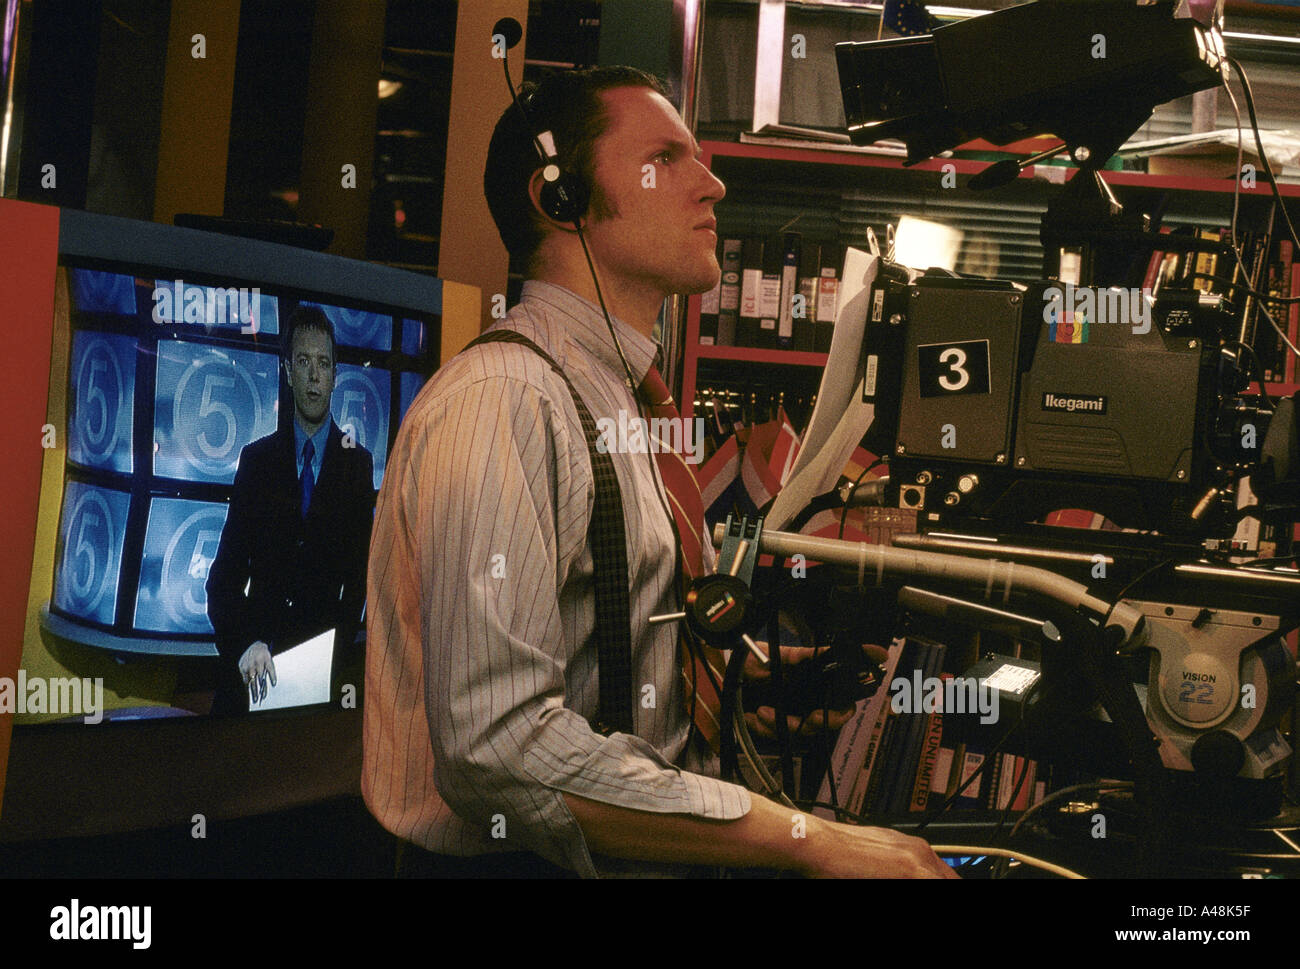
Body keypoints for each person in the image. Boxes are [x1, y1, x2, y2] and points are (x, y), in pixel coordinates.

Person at [362, 66, 954, 878]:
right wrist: (808, 840)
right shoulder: (504, 402)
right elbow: (499, 747)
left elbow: (596, 643)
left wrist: (728, 679)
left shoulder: (621, 398)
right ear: (558, 196)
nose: (712, 183)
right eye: (667, 159)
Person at [206, 305, 374, 713]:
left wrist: (327, 660)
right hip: (253, 670)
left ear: (335, 375)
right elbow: (222, 582)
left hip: (322, 680)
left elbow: (358, 586)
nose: (314, 376)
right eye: (303, 362)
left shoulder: (357, 466)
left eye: (323, 363)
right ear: (287, 371)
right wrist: (247, 644)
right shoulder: (256, 461)